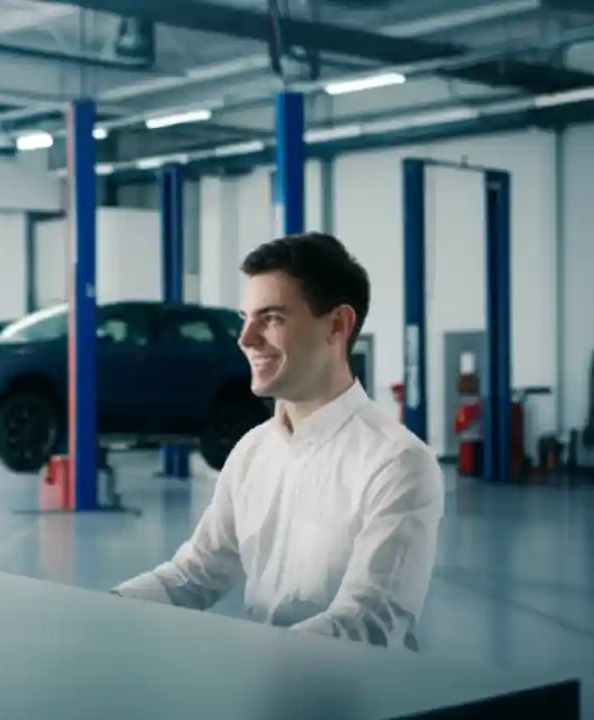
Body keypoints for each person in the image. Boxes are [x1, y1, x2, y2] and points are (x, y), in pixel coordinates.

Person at [114, 232, 443, 651]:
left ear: (338, 325)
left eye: (271, 318)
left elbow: (370, 620)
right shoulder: (253, 451)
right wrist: (108, 606)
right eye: (244, 318)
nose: (245, 338)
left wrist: (258, 660)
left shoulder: (397, 462)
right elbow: (195, 574)